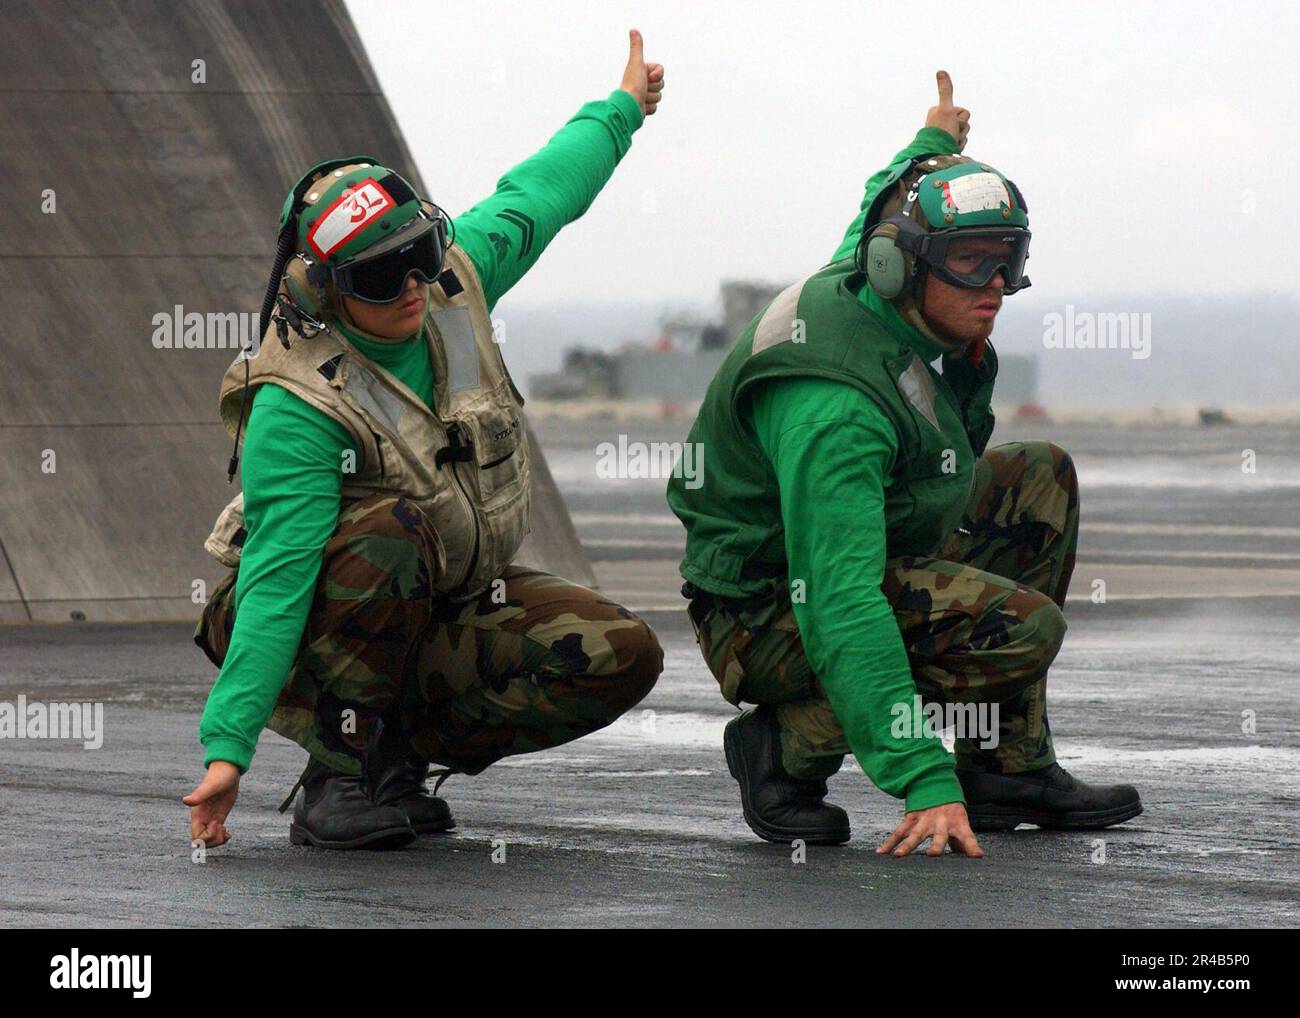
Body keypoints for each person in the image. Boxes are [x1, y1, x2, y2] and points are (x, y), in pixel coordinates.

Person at [187, 31, 666, 851]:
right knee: (389, 533)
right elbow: (276, 577)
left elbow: (543, 191)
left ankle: (396, 752)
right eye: (380, 275)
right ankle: (340, 774)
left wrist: (622, 109)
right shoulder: (298, 399)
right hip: (310, 617)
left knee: (618, 654)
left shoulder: (453, 282)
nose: (411, 286)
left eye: (418, 255)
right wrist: (226, 749)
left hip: (441, 599)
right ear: (325, 287)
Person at [666, 71, 1141, 858]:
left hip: (851, 549)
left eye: (1007, 261)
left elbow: (877, 203)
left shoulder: (869, 269)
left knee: (1037, 477)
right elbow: (841, 597)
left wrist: (934, 142)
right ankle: (784, 749)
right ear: (903, 268)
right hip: (765, 608)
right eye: (968, 263)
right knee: (1018, 629)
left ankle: (1005, 766)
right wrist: (921, 774)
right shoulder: (835, 406)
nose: (994, 286)